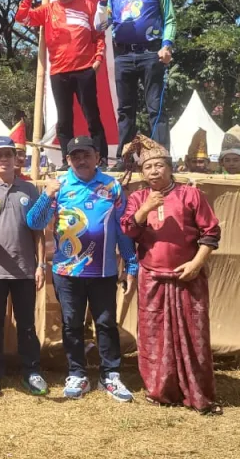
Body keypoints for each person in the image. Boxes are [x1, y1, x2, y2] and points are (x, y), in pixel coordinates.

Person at [26, 136, 138, 403]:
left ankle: (110, 374)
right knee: (71, 324)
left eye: (86, 154)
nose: (81, 160)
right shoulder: (60, 185)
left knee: (105, 323)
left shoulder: (112, 186)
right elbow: (34, 222)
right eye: (75, 156)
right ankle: (77, 373)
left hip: (103, 271)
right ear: (67, 160)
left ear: (97, 156)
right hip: (67, 272)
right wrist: (46, 195)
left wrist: (131, 263)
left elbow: (123, 229)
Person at [119, 134, 222, 415]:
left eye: (158, 165)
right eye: (147, 167)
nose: (153, 171)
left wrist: (196, 264)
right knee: (154, 337)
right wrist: (144, 209)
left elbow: (211, 232)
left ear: (169, 166)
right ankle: (161, 391)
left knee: (192, 336)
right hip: (152, 277)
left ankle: (197, 393)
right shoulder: (138, 197)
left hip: (188, 277)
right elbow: (128, 230)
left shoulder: (191, 194)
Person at [0, 137, 47, 396]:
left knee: (26, 324)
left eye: (8, 154)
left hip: (25, 268)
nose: (3, 159)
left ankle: (32, 371)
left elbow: (39, 232)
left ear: (16, 159)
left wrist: (40, 266)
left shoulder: (30, 189)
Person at [96, 0, 177, 162]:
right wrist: (103, 0)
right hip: (123, 55)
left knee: (155, 107)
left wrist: (167, 45)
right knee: (125, 110)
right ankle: (125, 159)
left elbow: (169, 18)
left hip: (151, 52)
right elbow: (100, 26)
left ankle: (161, 157)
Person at [17, 0, 108, 162]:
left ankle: (102, 158)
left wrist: (98, 58)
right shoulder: (47, 9)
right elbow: (21, 18)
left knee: (92, 115)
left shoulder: (88, 6)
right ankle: (68, 160)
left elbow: (99, 34)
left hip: (85, 70)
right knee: (64, 119)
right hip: (59, 72)